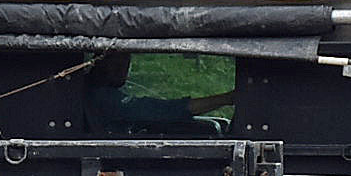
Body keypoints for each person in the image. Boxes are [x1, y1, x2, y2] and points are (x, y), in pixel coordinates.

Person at [82, 52, 236, 134]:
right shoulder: (101, 98)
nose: (123, 69)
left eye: (126, 61)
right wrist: (226, 99)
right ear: (97, 62)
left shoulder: (102, 94)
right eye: (115, 62)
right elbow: (156, 110)